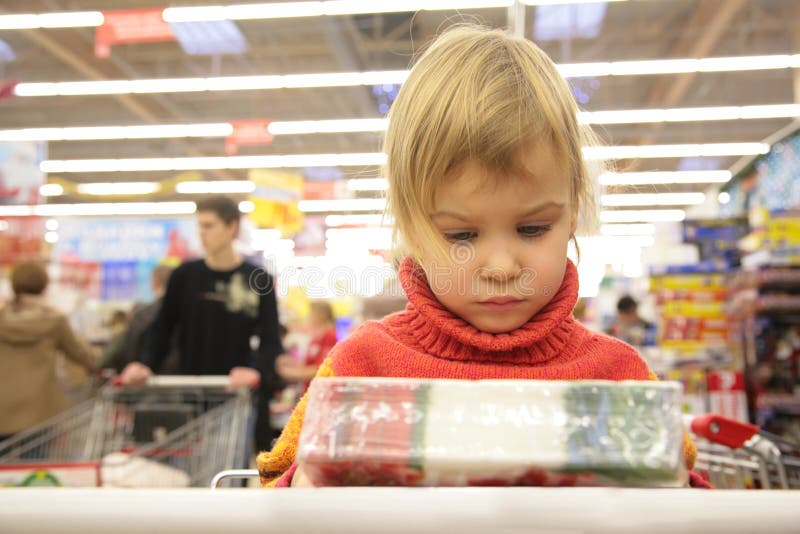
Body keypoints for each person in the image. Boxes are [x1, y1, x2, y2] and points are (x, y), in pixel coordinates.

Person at [257, 25, 706, 489]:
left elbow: (691, 499)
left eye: (532, 228)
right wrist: (303, 489)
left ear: (573, 213)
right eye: (460, 234)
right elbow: (275, 488)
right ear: (410, 228)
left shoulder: (619, 378)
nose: (500, 267)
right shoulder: (361, 368)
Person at [119, 196, 284, 450]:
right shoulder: (184, 276)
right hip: (192, 392)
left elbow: (271, 339)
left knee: (231, 470)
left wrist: (257, 370)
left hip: (239, 396)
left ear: (232, 227)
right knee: (191, 469)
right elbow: (162, 329)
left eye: (209, 226)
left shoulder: (257, 279)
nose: (202, 234)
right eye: (200, 226)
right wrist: (145, 364)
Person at [0, 261, 97, 440]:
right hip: (40, 411)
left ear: (13, 286)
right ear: (44, 286)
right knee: (36, 466)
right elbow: (81, 355)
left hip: (2, 412)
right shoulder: (54, 320)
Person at [104, 264, 178, 373]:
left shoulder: (142, 315)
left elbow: (128, 354)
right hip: (187, 381)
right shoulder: (191, 315)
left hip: (146, 382)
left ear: (154, 282)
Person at [276, 301, 338, 388]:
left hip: (319, 392)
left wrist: (291, 373)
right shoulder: (315, 337)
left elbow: (322, 369)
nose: (308, 316)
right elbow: (309, 365)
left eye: (311, 313)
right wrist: (291, 364)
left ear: (321, 315)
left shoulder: (329, 336)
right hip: (310, 390)